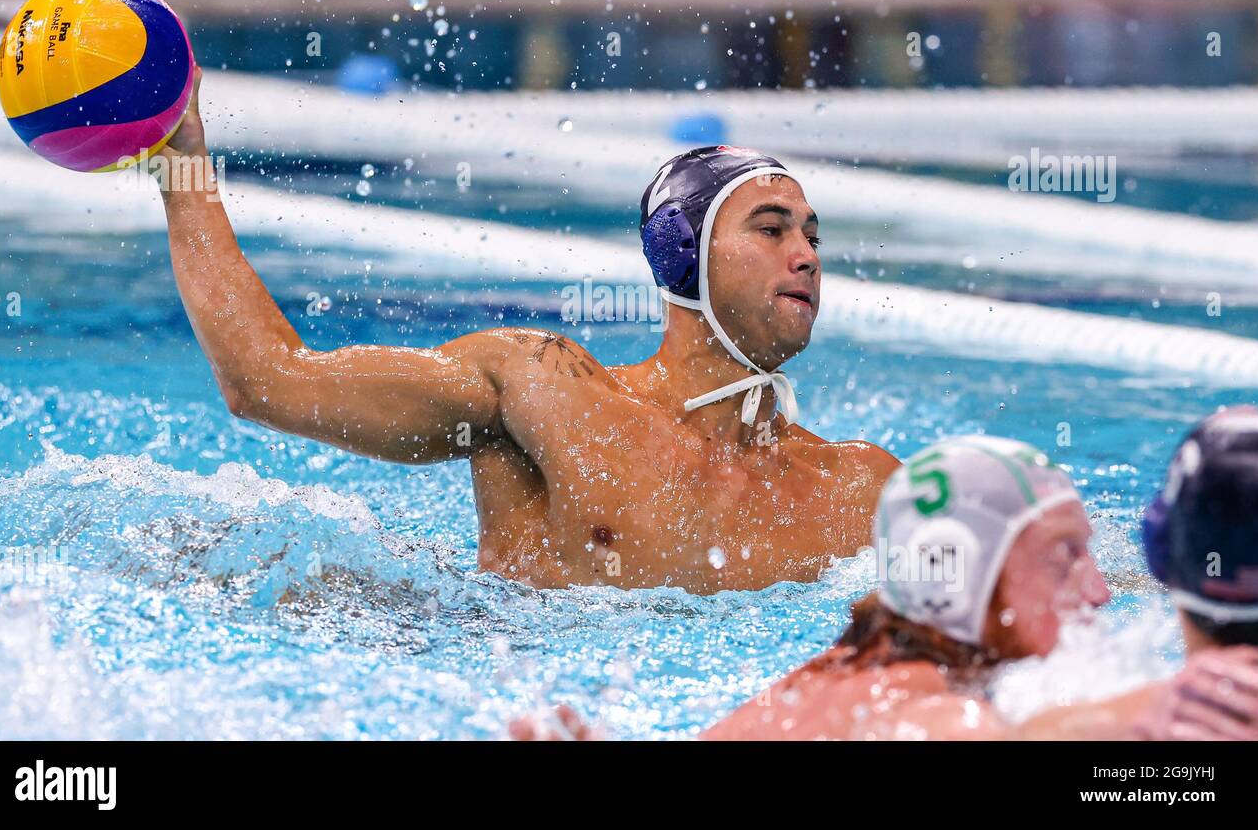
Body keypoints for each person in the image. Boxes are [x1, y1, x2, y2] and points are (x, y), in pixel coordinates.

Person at [155, 69, 898, 593]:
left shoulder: (861, 491)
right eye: (770, 229)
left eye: (812, 236)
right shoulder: (548, 389)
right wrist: (184, 170)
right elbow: (270, 382)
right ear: (682, 255)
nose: (805, 255)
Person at [701, 434, 1258, 740]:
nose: (1098, 590)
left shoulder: (823, 686)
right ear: (959, 571)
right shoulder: (944, 725)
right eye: (1065, 555)